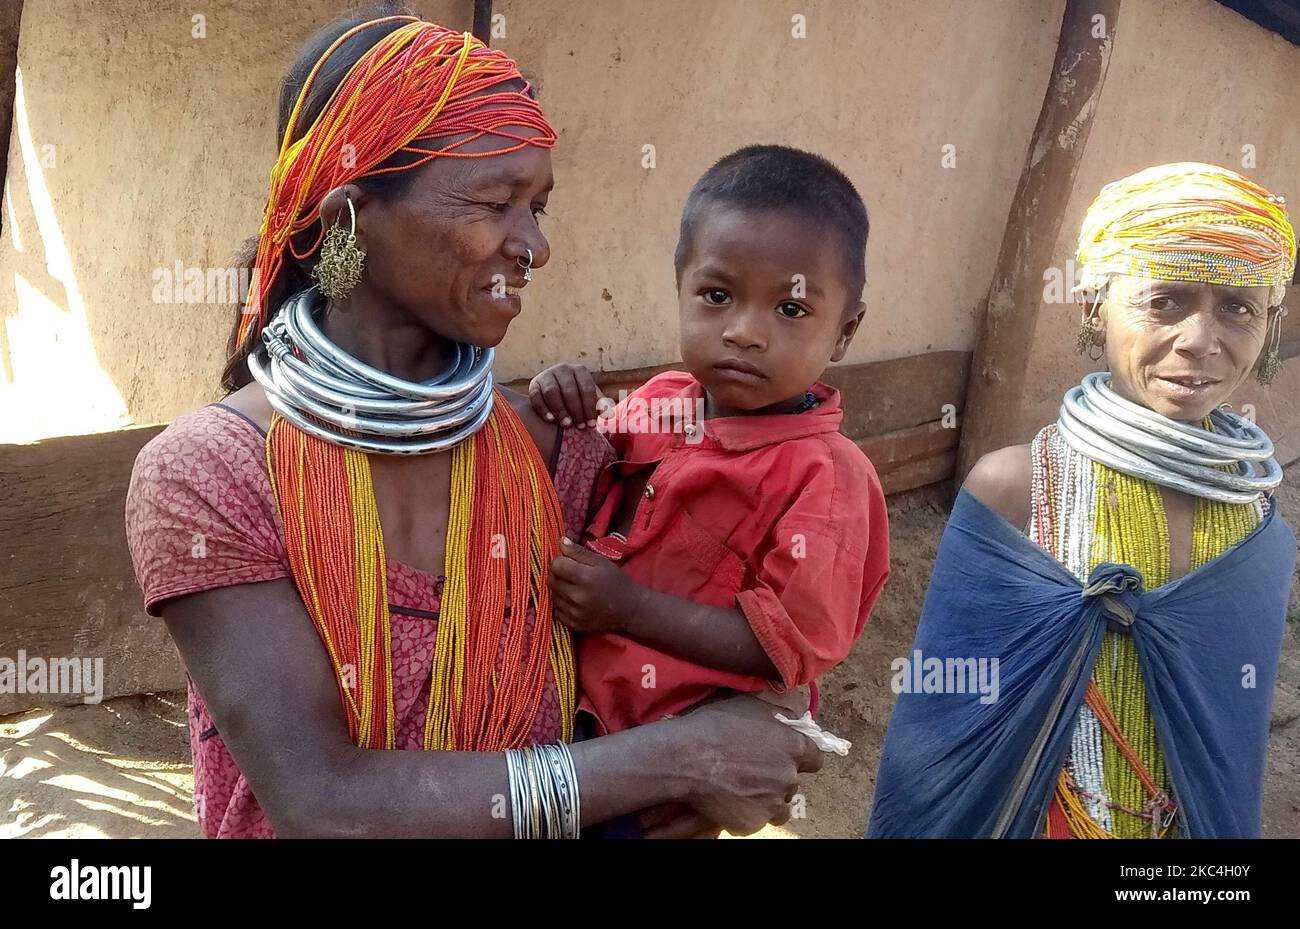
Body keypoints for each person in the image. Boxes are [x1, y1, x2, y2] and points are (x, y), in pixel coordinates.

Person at [125, 9, 821, 839]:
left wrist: (717, 761)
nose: (534, 245)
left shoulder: (561, 452)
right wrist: (680, 759)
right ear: (347, 219)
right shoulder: (213, 475)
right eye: (496, 203)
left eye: (539, 207)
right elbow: (322, 801)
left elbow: (692, 661)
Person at [868, 162, 1296, 838]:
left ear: (1268, 328)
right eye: (1165, 300)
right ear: (1095, 308)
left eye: (1239, 308)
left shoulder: (1260, 530)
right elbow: (940, 736)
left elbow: (1229, 751)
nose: (1199, 340)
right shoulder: (1017, 489)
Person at [529, 145, 890, 739]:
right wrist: (562, 396)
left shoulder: (826, 478)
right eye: (718, 296)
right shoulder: (662, 398)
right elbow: (587, 469)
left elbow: (783, 647)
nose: (744, 332)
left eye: (791, 307)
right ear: (680, 289)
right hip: (569, 703)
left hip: (675, 748)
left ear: (844, 333)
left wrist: (629, 609)